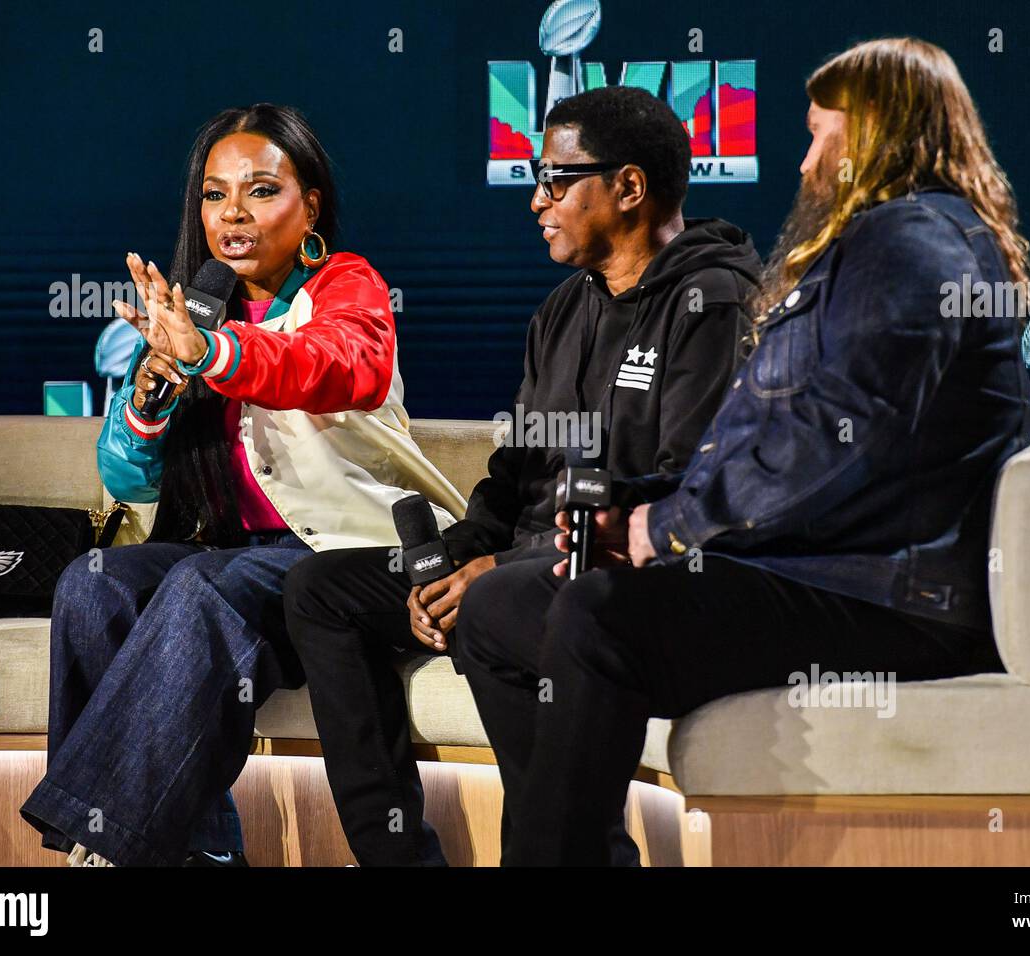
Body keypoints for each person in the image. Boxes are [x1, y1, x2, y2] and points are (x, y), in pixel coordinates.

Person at [457, 37, 1030, 865]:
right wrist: (641, 505)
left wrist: (669, 529)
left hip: (886, 597)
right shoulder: (892, 242)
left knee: (599, 613)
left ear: (872, 139)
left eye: (818, 136)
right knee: (497, 611)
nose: (804, 165)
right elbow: (779, 440)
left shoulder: (912, 245)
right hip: (823, 567)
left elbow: (837, 442)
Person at [282, 85, 763, 865]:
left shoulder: (715, 303)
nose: (538, 201)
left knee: (495, 604)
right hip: (525, 565)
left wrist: (494, 572)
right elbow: (513, 474)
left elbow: (683, 493)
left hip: (621, 574)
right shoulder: (561, 311)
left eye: (557, 180)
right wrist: (456, 559)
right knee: (320, 592)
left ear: (629, 187)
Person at [19, 103, 464, 867]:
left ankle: (106, 845)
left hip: (354, 558)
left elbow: (337, 369)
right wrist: (152, 399)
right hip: (238, 559)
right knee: (93, 585)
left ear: (310, 204)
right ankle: (198, 856)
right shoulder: (191, 310)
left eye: (261, 191)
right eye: (215, 193)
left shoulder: (345, 285)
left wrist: (213, 354)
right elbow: (125, 479)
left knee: (200, 584)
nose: (233, 213)